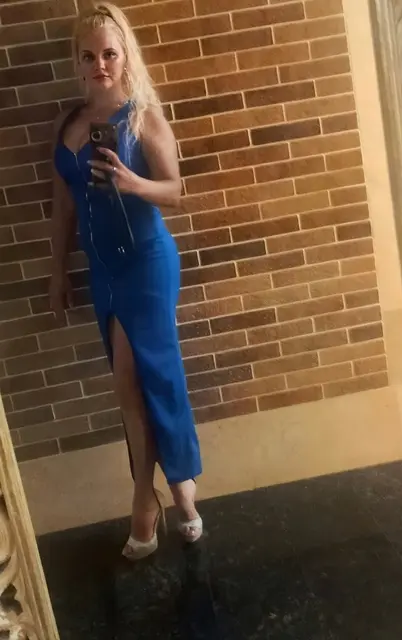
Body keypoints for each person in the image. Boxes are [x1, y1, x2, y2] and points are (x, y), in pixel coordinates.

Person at [49, 1, 203, 561]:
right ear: (77, 62)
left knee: (146, 380)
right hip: (104, 272)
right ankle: (182, 492)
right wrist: (56, 272)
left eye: (109, 54)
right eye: (88, 56)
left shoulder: (144, 119)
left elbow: (176, 191)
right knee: (134, 388)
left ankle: (147, 501)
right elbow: (64, 206)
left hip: (147, 265)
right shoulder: (70, 127)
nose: (99, 65)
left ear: (125, 57)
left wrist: (132, 181)